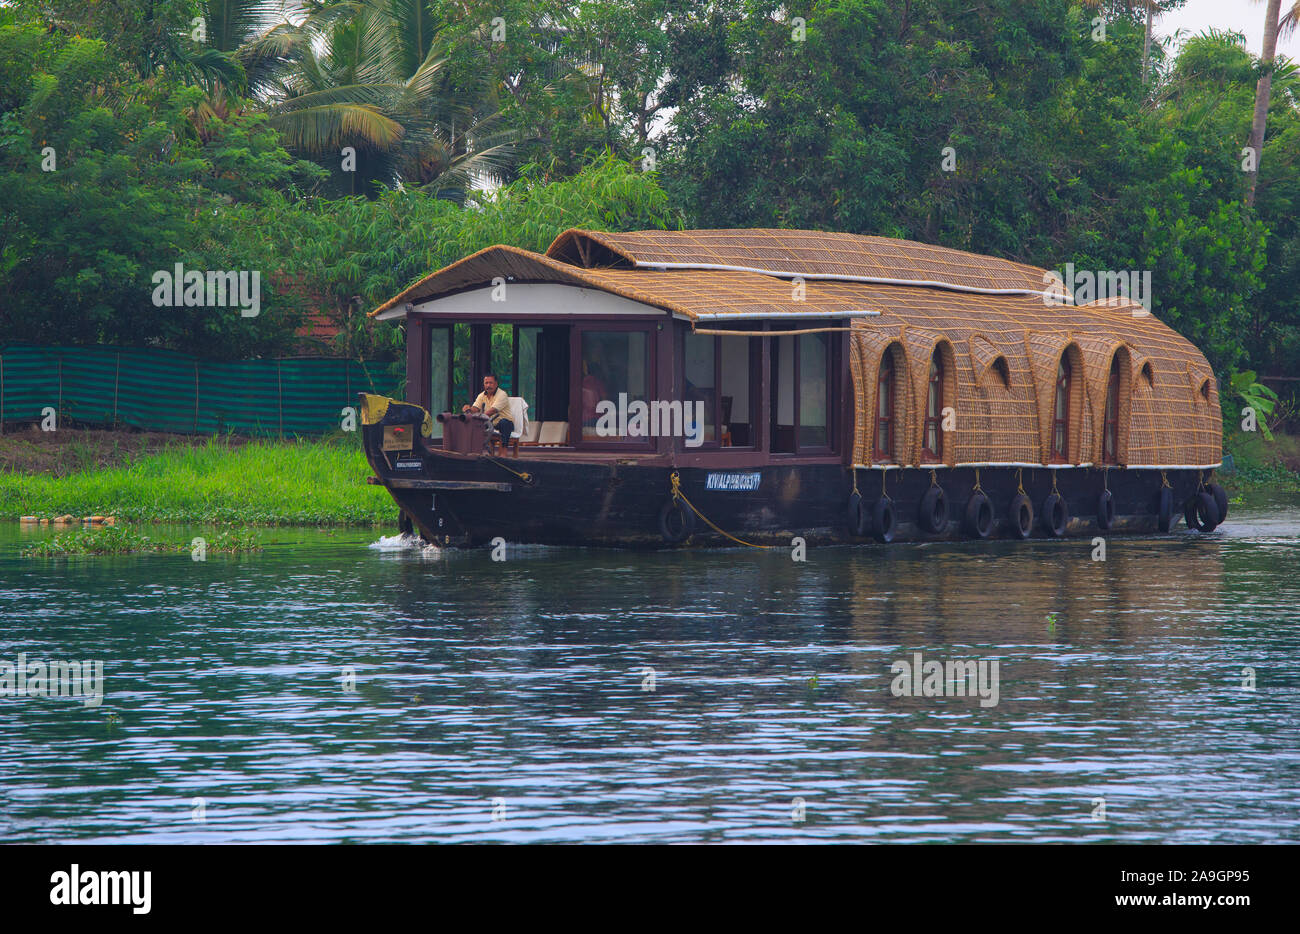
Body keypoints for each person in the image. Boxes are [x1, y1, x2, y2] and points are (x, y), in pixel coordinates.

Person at [462, 373, 515, 444]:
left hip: (505, 424)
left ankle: (503, 452)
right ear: (484, 384)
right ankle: (474, 449)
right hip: (490, 423)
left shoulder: (502, 394)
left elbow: (492, 411)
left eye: (491, 383)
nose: (488, 385)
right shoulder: (481, 395)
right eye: (486, 383)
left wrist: (479, 419)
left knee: (504, 423)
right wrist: (469, 409)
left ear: (496, 384)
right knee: (472, 424)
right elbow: (475, 409)